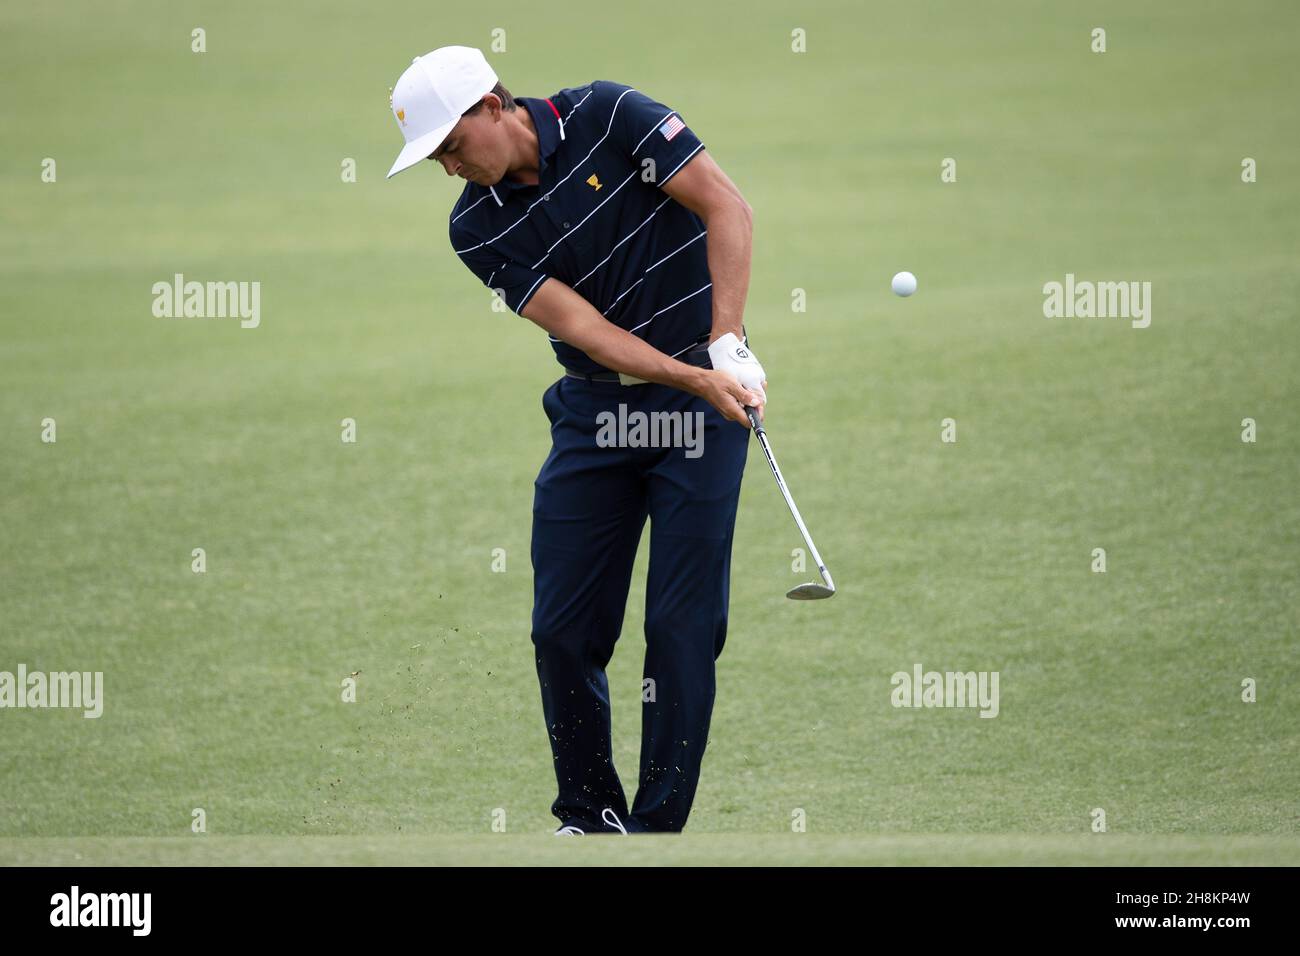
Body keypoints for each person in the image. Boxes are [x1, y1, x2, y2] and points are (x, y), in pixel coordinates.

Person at [386, 46, 768, 834]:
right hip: (598, 418)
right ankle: (591, 820)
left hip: (702, 417)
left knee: (681, 626)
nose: (450, 169)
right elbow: (586, 331)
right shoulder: (474, 228)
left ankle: (657, 833)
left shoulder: (608, 114)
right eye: (435, 159)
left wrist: (724, 344)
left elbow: (728, 207)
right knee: (561, 629)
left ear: (494, 104)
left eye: (452, 146)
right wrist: (693, 376)